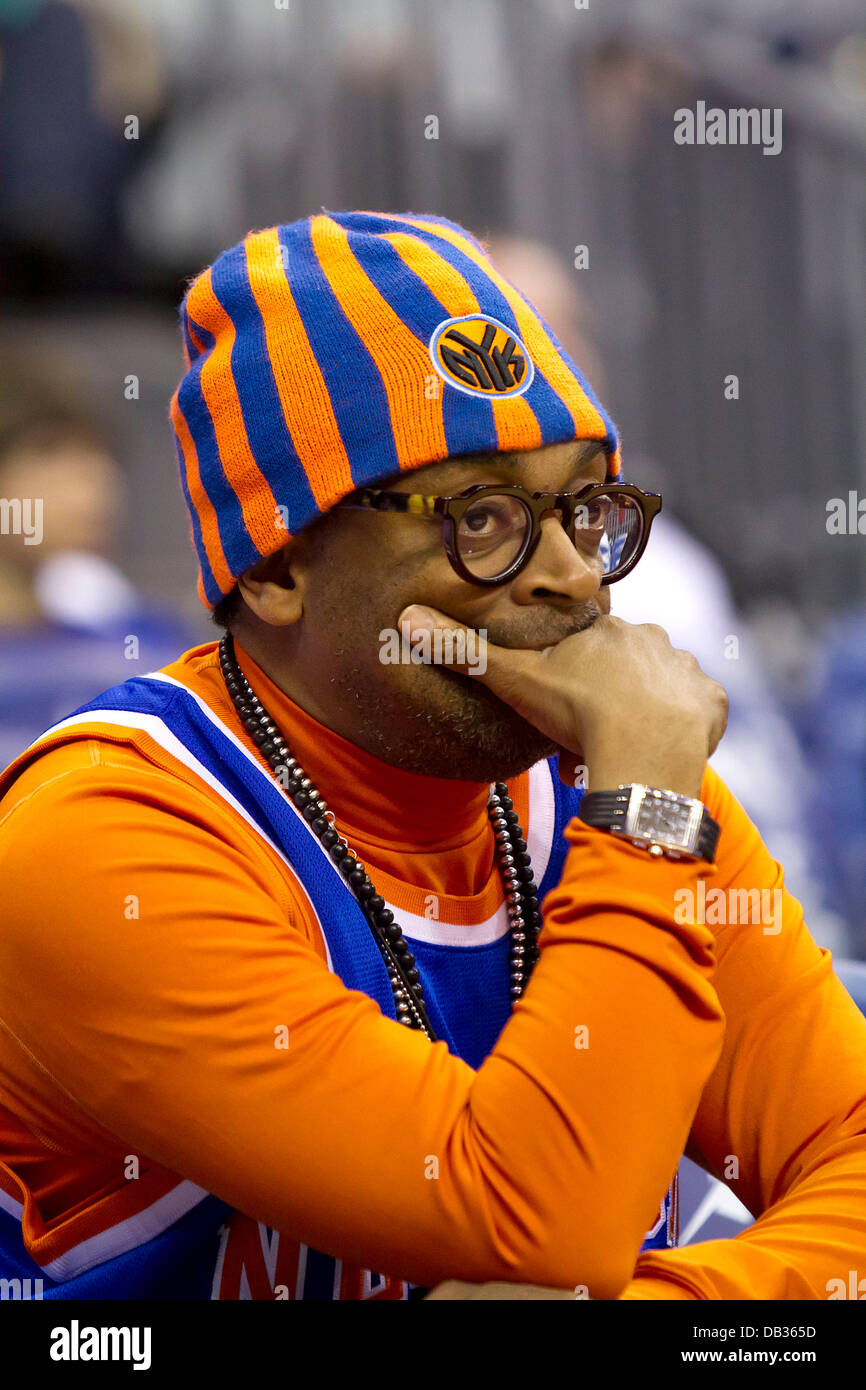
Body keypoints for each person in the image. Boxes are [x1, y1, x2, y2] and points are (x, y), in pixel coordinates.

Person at [0, 211, 864, 1302]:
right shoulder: (102, 839)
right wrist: (644, 804)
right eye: (483, 516)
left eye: (581, 507)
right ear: (275, 566)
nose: (572, 578)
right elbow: (527, 1224)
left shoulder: (609, 785)